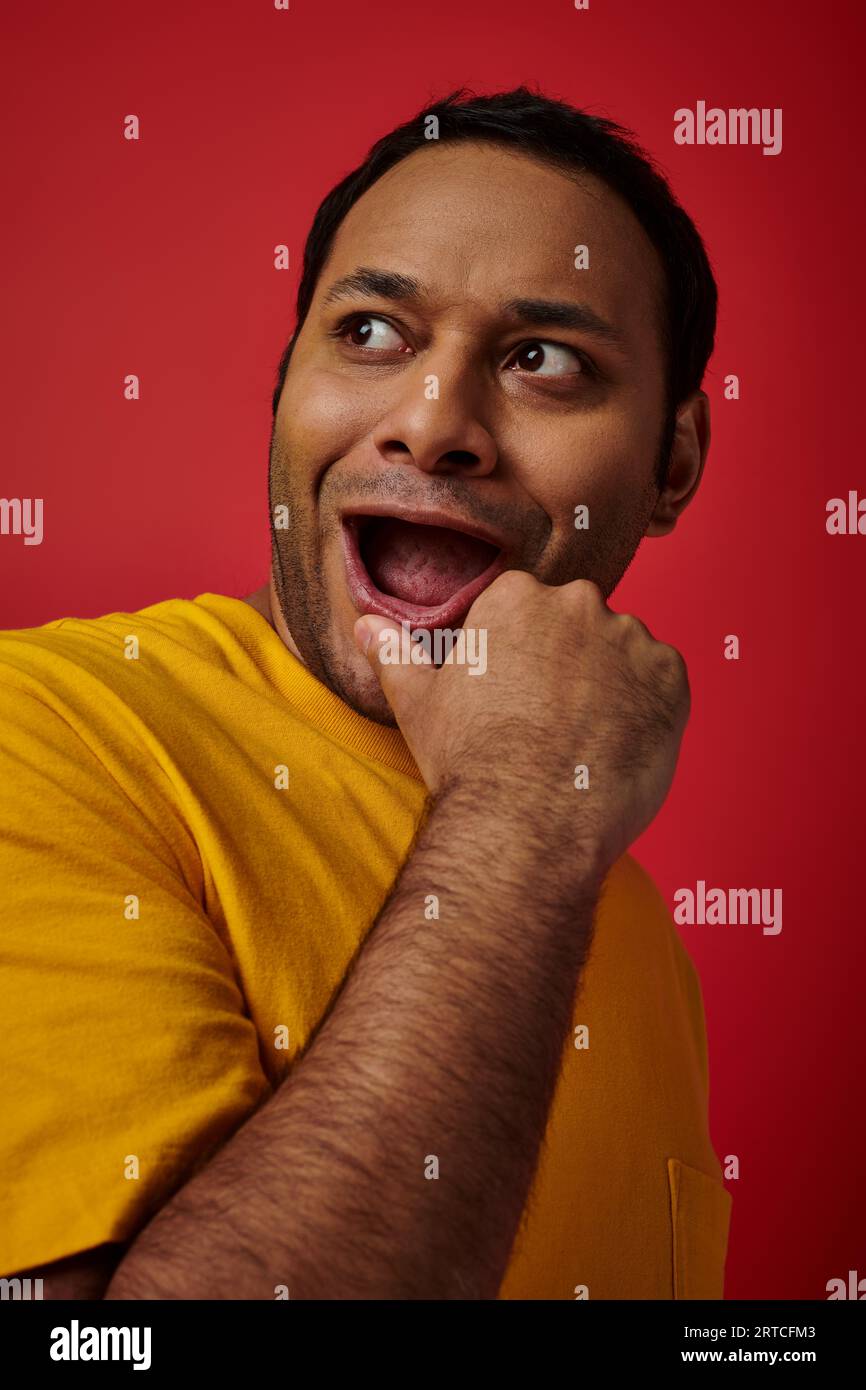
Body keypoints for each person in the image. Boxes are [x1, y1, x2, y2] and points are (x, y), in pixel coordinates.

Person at [0, 87, 731, 1300]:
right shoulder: (47, 732)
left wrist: (537, 827)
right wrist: (525, 815)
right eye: (372, 334)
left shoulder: (616, 907)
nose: (433, 421)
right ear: (284, 386)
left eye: (542, 360)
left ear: (670, 463)